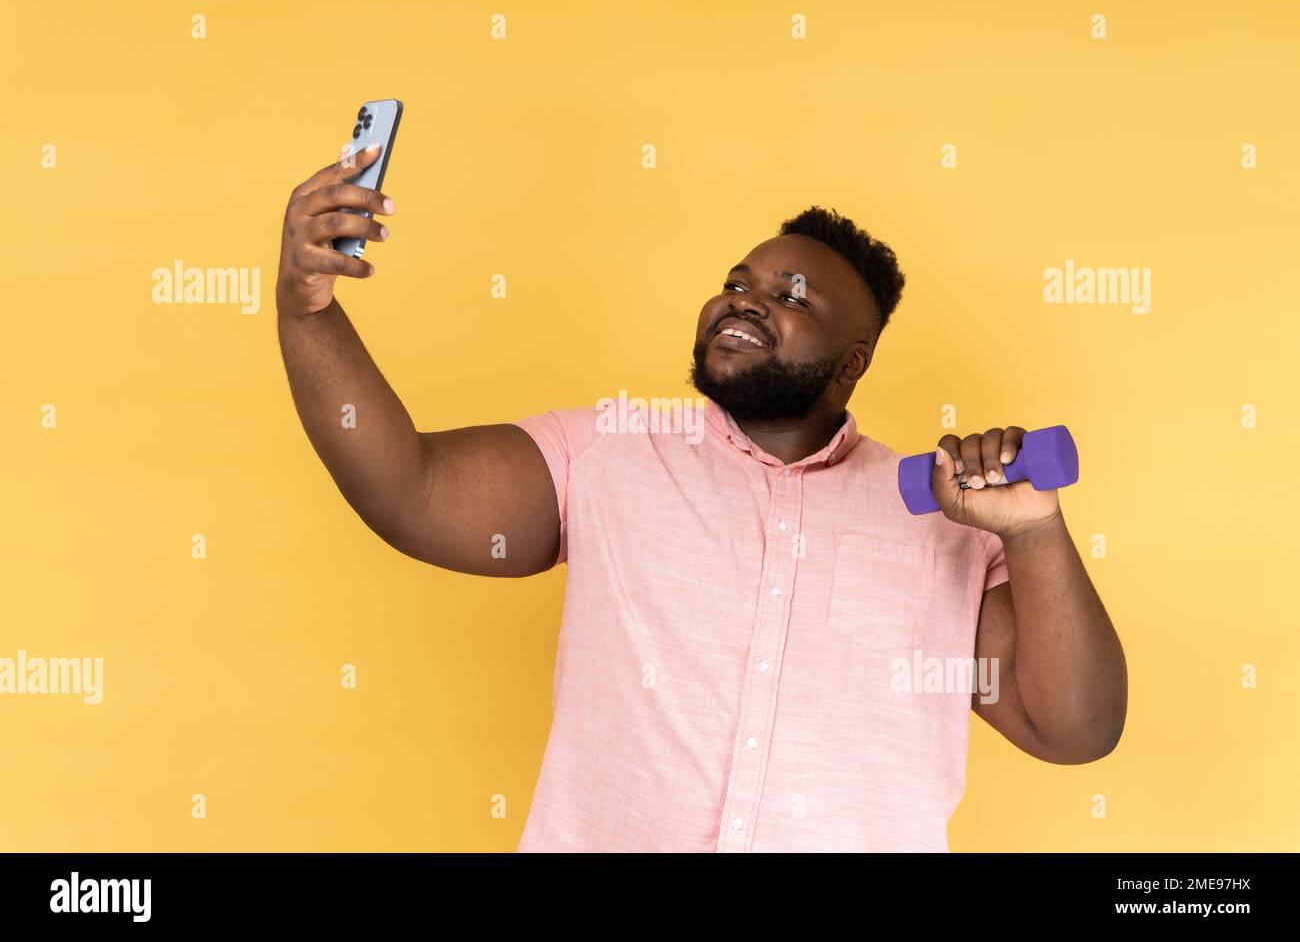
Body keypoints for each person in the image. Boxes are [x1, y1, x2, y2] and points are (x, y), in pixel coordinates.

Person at [275, 146, 1128, 852]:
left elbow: (1076, 728)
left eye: (793, 296)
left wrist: (1035, 532)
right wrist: (308, 313)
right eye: (739, 279)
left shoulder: (946, 523)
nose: (746, 298)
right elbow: (410, 491)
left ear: (853, 361)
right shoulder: (610, 451)